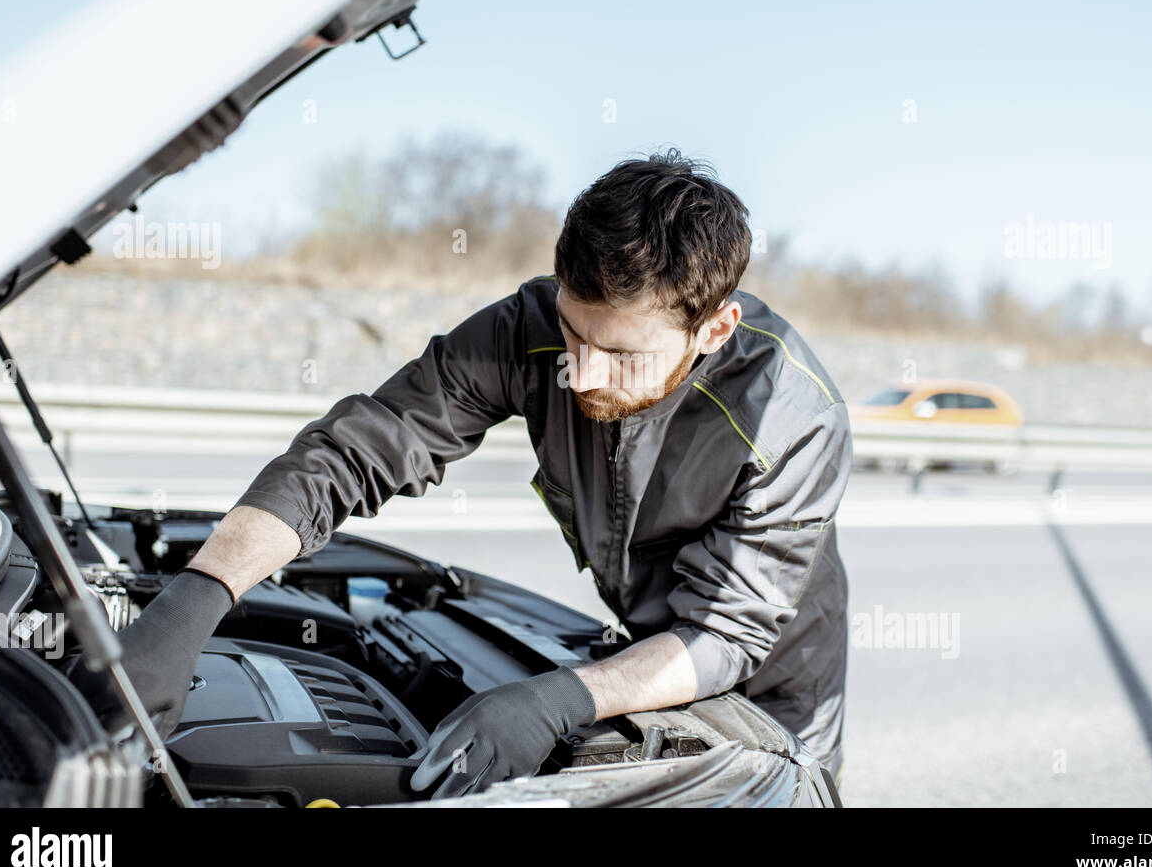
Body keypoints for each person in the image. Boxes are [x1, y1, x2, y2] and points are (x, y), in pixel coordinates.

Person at [73, 148, 853, 798]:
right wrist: (198, 595)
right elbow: (359, 447)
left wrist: (561, 698)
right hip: (643, 648)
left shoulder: (789, 417)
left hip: (769, 711)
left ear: (714, 327)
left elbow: (723, 635)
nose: (579, 375)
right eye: (575, 334)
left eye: (618, 355)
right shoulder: (532, 330)